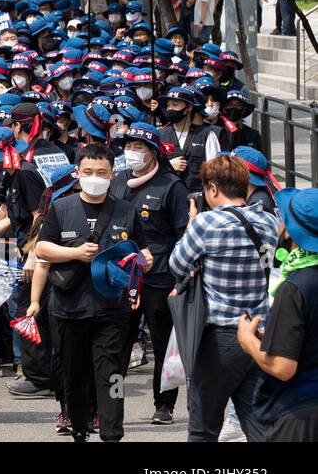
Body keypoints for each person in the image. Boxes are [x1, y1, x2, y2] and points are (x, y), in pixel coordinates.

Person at [31, 143, 149, 441]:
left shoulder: (126, 210)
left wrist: (139, 263)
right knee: (74, 374)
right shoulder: (61, 207)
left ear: (112, 174)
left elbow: (144, 251)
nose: (95, 177)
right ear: (78, 172)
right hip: (69, 307)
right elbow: (42, 248)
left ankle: (112, 433)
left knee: (113, 375)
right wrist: (75, 254)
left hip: (113, 309)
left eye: (102, 172)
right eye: (88, 172)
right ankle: (80, 428)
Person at [169, 153, 279, 442]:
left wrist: (192, 224)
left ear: (213, 188)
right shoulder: (268, 221)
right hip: (259, 333)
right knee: (259, 425)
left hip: (219, 339)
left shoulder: (206, 223)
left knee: (204, 426)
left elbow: (177, 264)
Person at [117, 122, 189, 426]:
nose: (132, 152)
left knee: (161, 344)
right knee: (116, 343)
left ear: (153, 152)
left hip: (159, 277)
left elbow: (183, 235)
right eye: (129, 146)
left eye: (139, 148)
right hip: (121, 276)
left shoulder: (170, 186)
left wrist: (180, 279)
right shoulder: (118, 181)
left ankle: (164, 404)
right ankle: (111, 400)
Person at [238, 188, 318, 440]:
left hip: (299, 416)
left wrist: (249, 340)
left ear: (293, 229)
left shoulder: (296, 287)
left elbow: (283, 367)